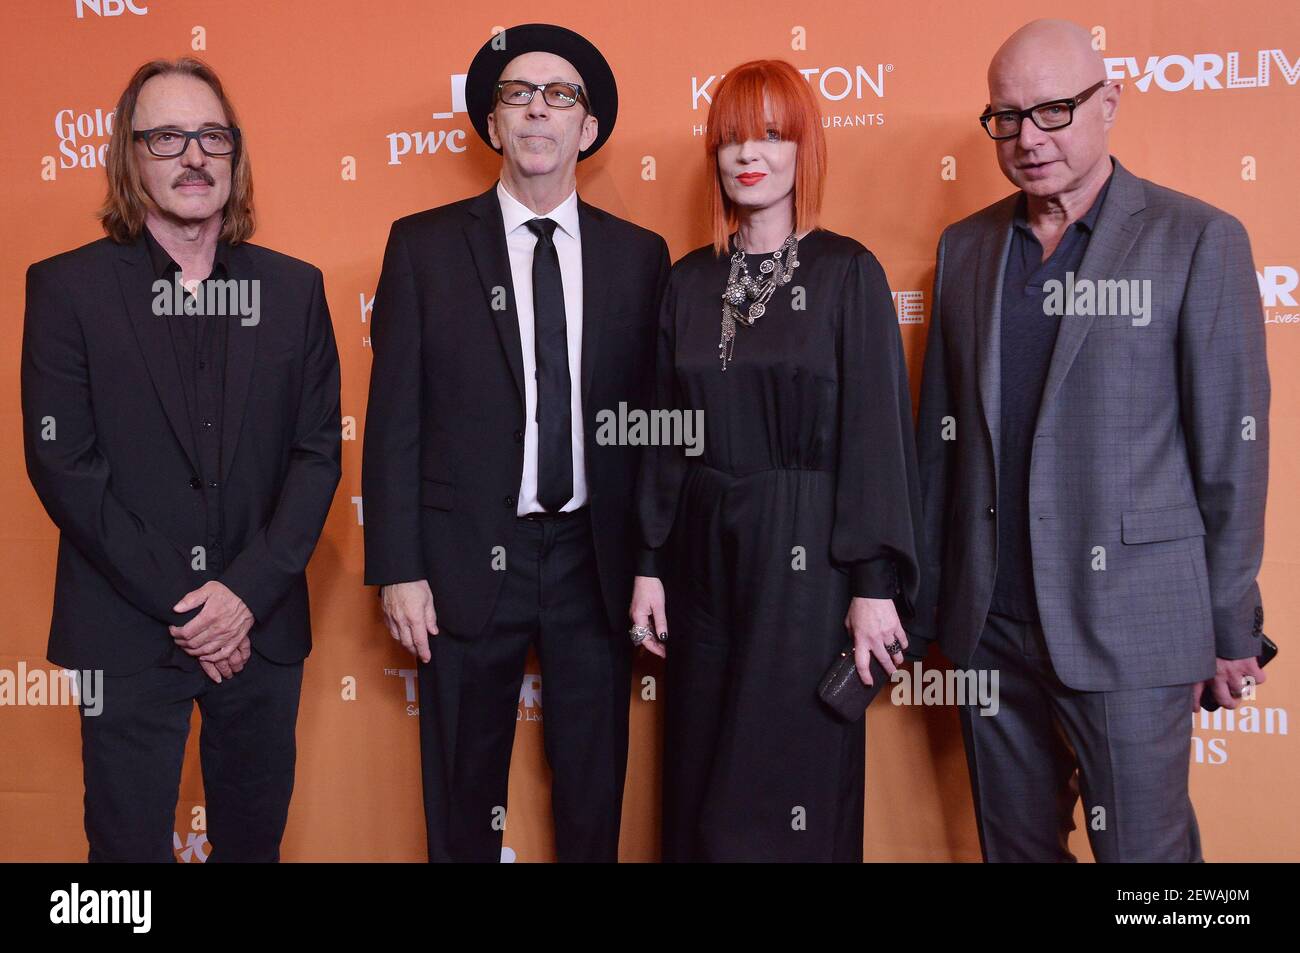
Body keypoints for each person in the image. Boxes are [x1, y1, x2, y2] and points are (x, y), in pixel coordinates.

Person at [910, 19, 1271, 862]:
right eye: (1006, 117)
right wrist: (929, 606)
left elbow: (1231, 453)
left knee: (1147, 863)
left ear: (1109, 103)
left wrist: (1228, 629)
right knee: (1016, 851)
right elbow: (941, 447)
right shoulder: (965, 250)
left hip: (1132, 626)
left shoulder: (1196, 239)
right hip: (990, 626)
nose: (1029, 139)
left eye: (1054, 111)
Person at [362, 23, 670, 862]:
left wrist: (651, 560)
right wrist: (398, 565)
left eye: (560, 95)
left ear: (589, 128)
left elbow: (649, 432)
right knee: (463, 803)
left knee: (592, 799)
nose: (539, 110)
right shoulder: (423, 246)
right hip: (462, 556)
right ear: (492, 124)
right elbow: (392, 417)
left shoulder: (641, 258)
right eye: (518, 94)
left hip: (593, 559)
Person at [21, 58, 341, 862]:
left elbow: (315, 457)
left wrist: (243, 593)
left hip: (260, 629)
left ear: (235, 156)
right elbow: (66, 466)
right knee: (124, 863)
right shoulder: (67, 289)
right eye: (166, 137)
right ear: (130, 159)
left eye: (211, 137)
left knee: (252, 849)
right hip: (128, 631)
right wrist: (195, 606)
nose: (193, 156)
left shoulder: (295, 290)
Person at [631, 59, 923, 862]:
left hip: (807, 558)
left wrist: (871, 586)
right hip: (700, 550)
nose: (746, 154)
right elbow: (661, 427)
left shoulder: (847, 272)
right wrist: (650, 561)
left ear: (805, 148)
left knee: (781, 785)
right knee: (698, 777)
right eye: (729, 138)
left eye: (769, 133)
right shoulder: (687, 281)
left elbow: (875, 436)